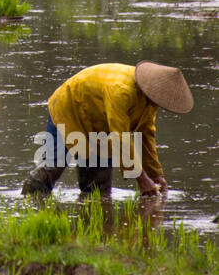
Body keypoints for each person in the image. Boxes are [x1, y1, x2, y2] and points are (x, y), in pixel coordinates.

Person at [22, 62, 194, 197]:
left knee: (98, 187)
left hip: (99, 124)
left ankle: (92, 233)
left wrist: (156, 175)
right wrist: (142, 179)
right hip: (69, 107)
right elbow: (119, 138)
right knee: (54, 165)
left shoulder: (149, 103)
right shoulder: (122, 91)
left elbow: (146, 135)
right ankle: (28, 202)